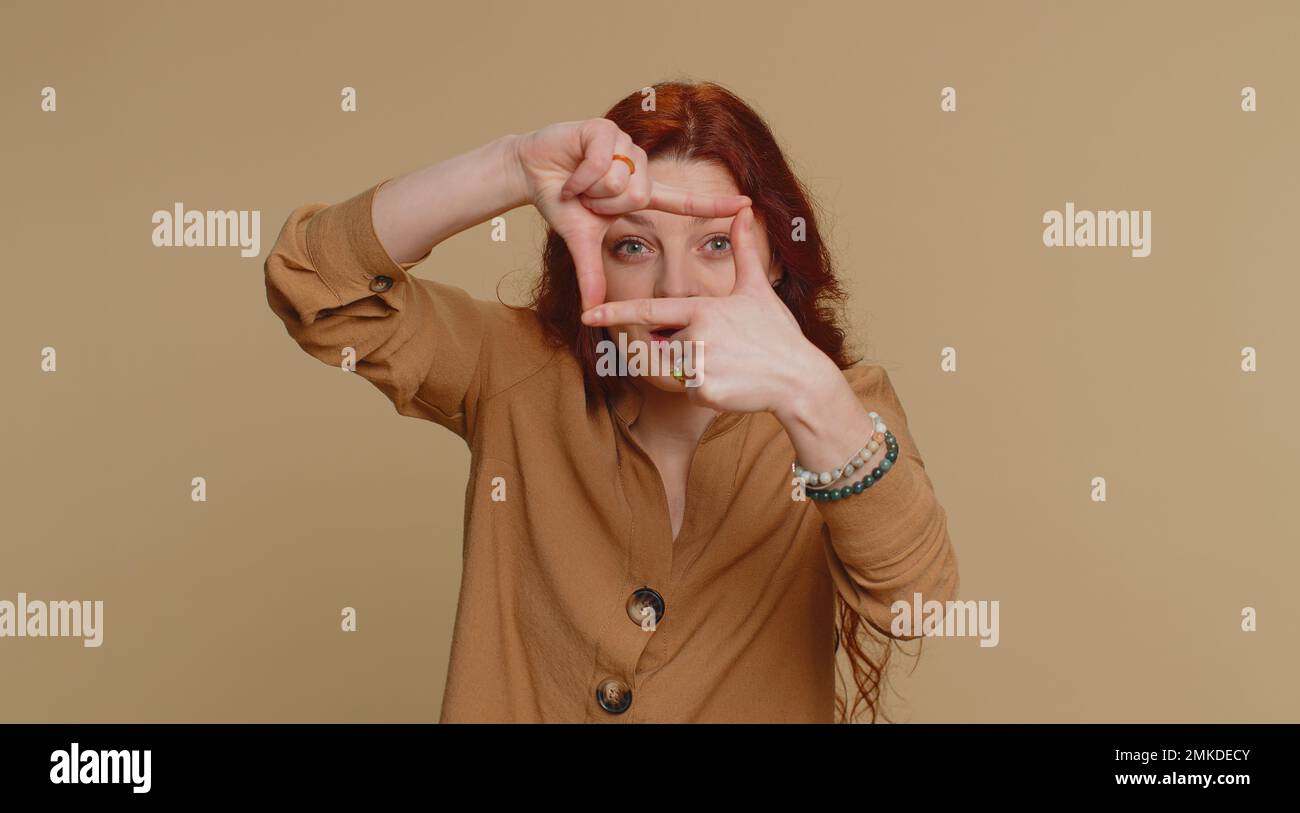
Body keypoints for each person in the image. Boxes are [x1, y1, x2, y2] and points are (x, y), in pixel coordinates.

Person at [263, 80, 959, 723]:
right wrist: (509, 167)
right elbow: (315, 283)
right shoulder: (517, 369)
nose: (676, 285)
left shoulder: (840, 408)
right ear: (589, 254)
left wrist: (807, 390)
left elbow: (918, 603)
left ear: (776, 259)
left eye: (716, 244)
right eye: (634, 245)